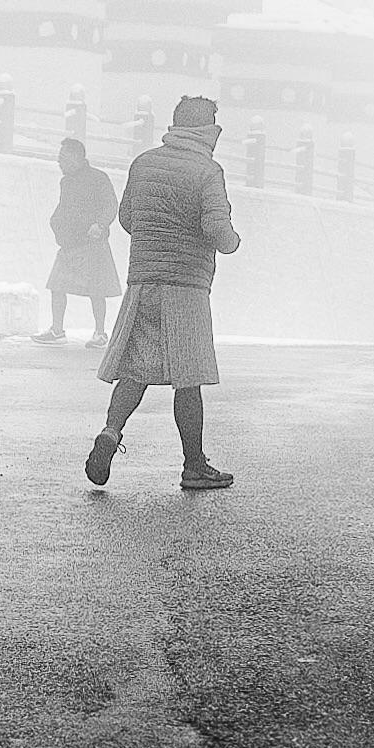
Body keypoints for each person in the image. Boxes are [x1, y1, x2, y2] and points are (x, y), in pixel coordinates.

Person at [86, 91, 241, 494]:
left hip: (144, 283)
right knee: (187, 381)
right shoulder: (208, 172)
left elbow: (127, 219)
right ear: (208, 131)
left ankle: (109, 433)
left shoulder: (144, 163)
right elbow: (218, 233)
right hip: (186, 286)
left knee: (135, 370)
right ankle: (194, 466)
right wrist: (233, 239)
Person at [42, 135, 120, 344]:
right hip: (69, 243)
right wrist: (55, 223)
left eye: (63, 158)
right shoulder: (65, 182)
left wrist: (100, 224)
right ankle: (57, 330)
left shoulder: (98, 178)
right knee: (57, 285)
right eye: (59, 158)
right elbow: (63, 208)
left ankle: (100, 333)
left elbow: (111, 205)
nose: (59, 162)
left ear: (77, 157)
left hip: (92, 243)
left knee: (96, 289)